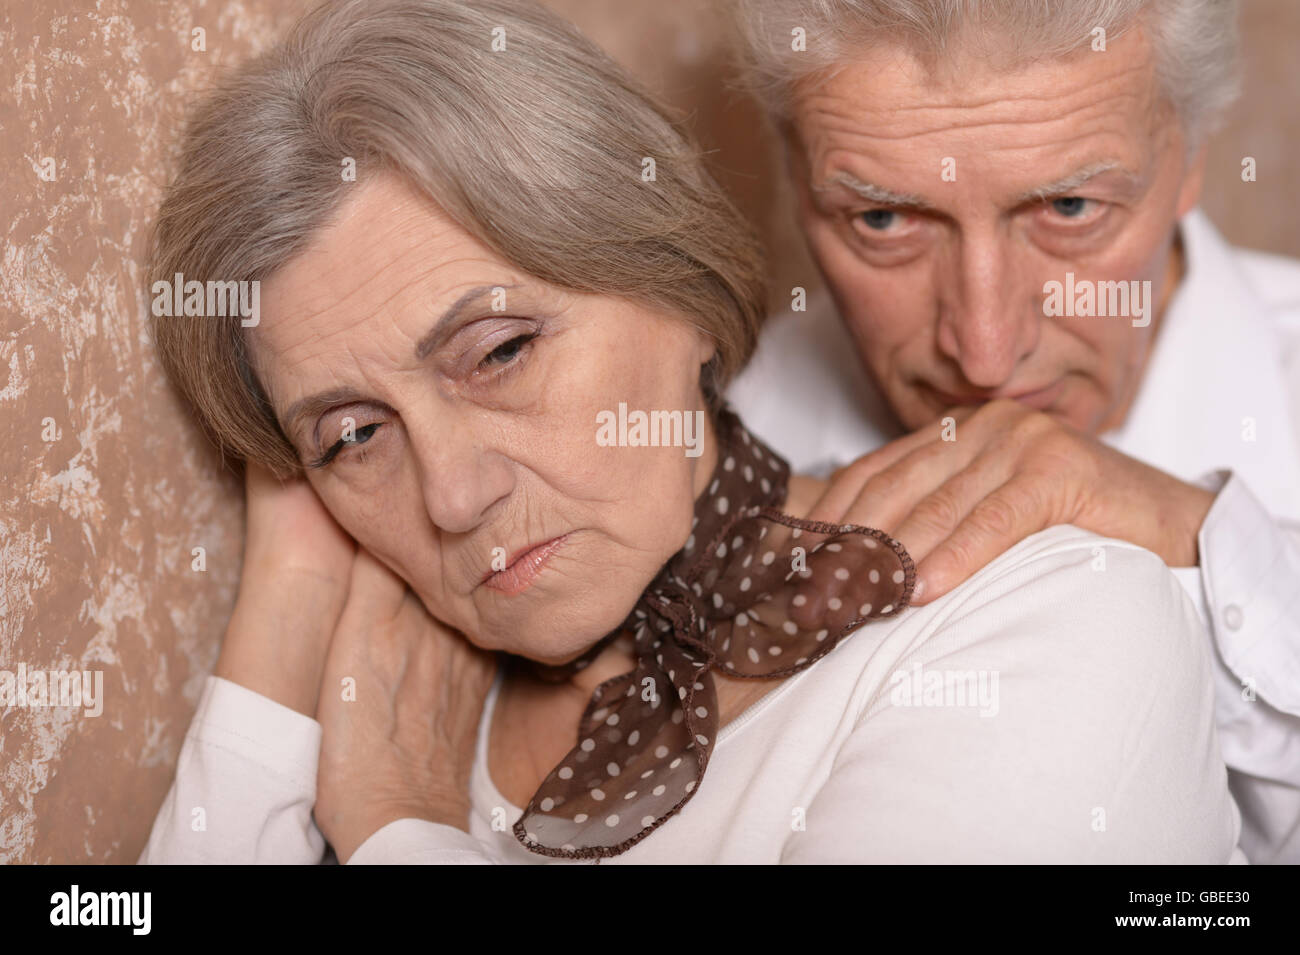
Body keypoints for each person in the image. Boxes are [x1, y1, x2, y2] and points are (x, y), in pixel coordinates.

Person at [137, 0, 1243, 864]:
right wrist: (281, 615)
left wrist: (396, 826)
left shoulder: (1056, 613)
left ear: (681, 289)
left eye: (502, 351)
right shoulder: (388, 693)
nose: (452, 495)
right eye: (354, 433)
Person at [729, 0, 1300, 863]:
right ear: (793, 175)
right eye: (883, 220)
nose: (987, 355)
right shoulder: (725, 432)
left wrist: (1196, 533)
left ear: (1191, 155)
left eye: (1071, 206)